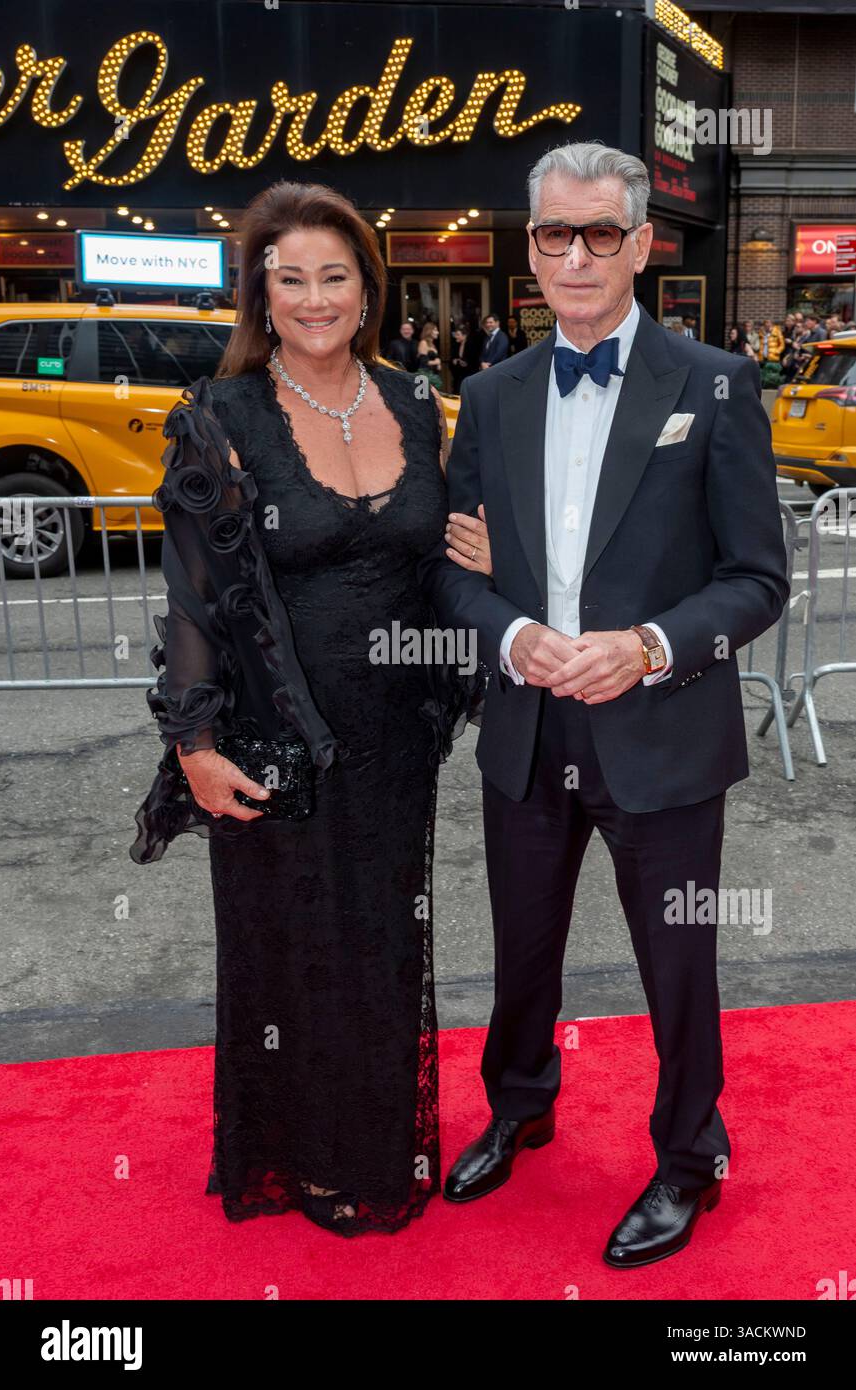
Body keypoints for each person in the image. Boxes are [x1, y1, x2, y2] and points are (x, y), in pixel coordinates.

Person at [419, 140, 789, 1269]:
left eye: (596, 234)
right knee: (520, 946)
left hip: (662, 731)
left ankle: (688, 1156)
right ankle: (520, 1103)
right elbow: (451, 571)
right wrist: (516, 637)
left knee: (677, 962)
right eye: (550, 233)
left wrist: (648, 647)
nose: (572, 255)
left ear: (640, 243)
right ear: (527, 244)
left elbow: (757, 577)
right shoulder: (488, 393)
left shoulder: (715, 383)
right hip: (528, 724)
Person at [130, 179, 487, 1237]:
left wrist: (487, 560)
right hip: (273, 733)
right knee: (291, 945)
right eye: (291, 278)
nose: (315, 297)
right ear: (261, 293)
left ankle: (376, 1147)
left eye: (335, 275)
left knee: (381, 940)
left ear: (367, 289)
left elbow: (438, 549)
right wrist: (192, 741)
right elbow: (193, 595)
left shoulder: (416, 400)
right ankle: (297, 1157)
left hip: (394, 736)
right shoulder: (222, 415)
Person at [416, 320, 444, 389]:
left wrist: (438, 364)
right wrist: (437, 362)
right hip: (425, 375)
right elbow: (423, 362)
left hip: (432, 374)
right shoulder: (423, 343)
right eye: (435, 330)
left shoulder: (432, 344)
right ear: (429, 331)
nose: (437, 332)